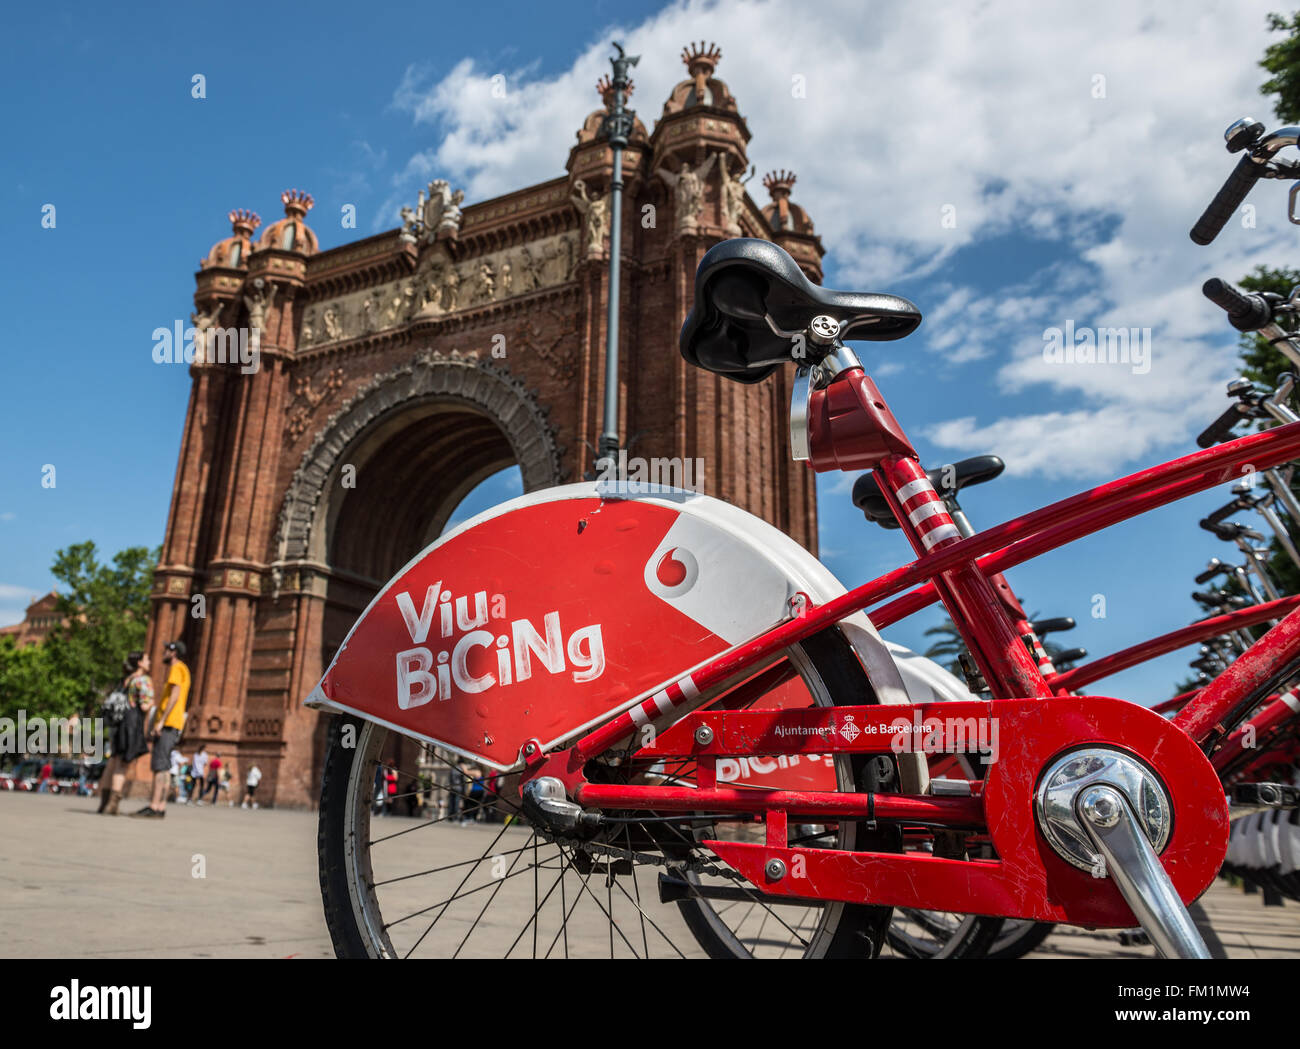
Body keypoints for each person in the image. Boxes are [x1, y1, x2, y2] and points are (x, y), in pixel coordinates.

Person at [132, 639, 189, 819]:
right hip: (172, 723)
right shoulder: (183, 669)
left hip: (169, 723)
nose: (163, 652)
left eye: (166, 650)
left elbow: (175, 695)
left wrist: (161, 721)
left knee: (159, 766)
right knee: (164, 767)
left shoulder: (177, 668)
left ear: (173, 652)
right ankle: (160, 806)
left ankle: (154, 805)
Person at [98, 651, 152, 815]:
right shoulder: (143, 680)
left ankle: (104, 803)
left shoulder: (125, 680)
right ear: (140, 663)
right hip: (131, 723)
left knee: (113, 762)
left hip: (117, 723)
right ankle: (112, 805)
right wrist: (152, 702)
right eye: (147, 659)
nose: (149, 662)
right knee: (122, 763)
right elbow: (144, 706)